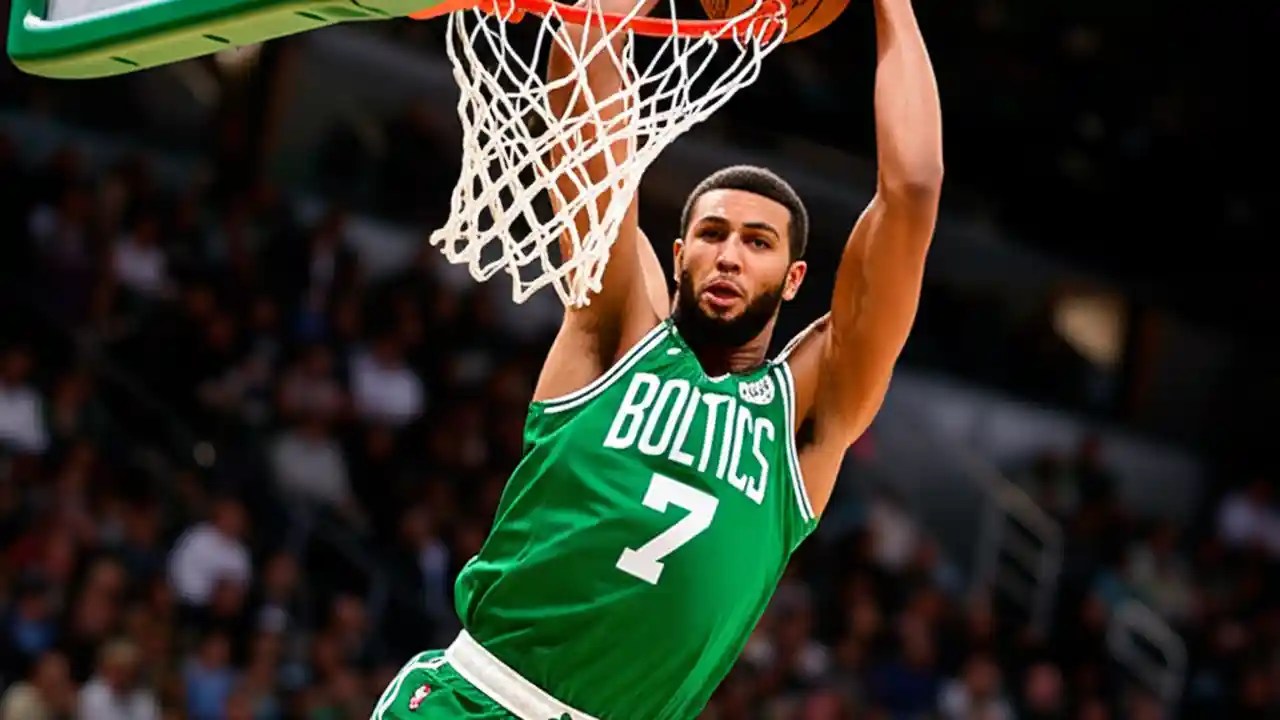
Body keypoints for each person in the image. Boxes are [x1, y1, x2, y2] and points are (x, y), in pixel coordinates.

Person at [373, 0, 942, 713]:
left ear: (795, 279)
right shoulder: (616, 329)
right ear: (677, 256)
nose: (729, 255)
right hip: (480, 700)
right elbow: (584, 58)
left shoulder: (804, 416)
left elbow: (914, 190)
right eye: (712, 233)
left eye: (758, 242)